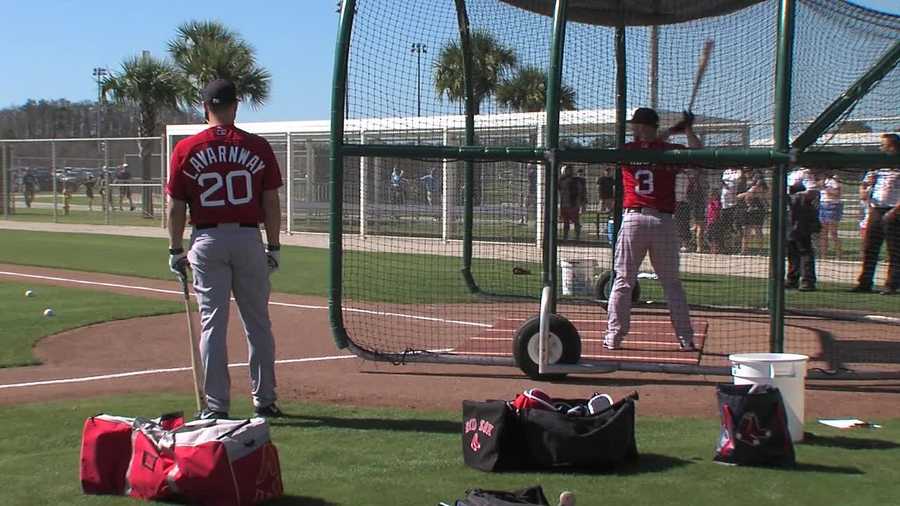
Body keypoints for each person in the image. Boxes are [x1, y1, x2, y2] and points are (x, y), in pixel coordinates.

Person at [166, 79, 284, 419]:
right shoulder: (257, 147)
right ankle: (265, 400)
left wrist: (175, 249)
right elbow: (271, 202)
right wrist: (273, 245)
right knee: (258, 324)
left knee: (212, 325)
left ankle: (216, 407)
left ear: (205, 108)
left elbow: (176, 207)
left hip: (207, 239)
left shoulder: (187, 149)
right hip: (248, 238)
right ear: (236, 105)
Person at [603, 108, 701, 351]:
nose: (634, 128)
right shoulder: (668, 150)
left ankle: (614, 336)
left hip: (634, 220)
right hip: (663, 222)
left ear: (642, 127)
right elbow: (699, 154)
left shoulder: (627, 149)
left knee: (624, 281)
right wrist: (687, 129)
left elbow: (649, 143)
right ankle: (686, 339)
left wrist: (675, 129)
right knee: (672, 284)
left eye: (637, 125)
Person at [852, 133, 899, 295]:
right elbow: (864, 185)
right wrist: (864, 191)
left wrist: (895, 210)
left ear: (893, 146)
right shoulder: (878, 165)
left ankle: (892, 284)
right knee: (870, 247)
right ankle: (865, 282)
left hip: (894, 210)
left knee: (894, 249)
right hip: (876, 209)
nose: (881, 148)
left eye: (884, 145)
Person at [786, 179, 820, 291]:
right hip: (795, 229)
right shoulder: (797, 199)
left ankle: (806, 281)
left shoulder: (799, 199)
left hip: (799, 229)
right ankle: (794, 280)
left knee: (804, 254)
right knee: (794, 255)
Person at [737, 173, 769, 255]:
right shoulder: (748, 185)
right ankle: (744, 250)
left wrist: (755, 193)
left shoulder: (763, 187)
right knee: (746, 230)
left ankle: (760, 251)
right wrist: (749, 193)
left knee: (757, 229)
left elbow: (763, 197)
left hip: (758, 210)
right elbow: (741, 196)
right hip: (748, 210)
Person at [817, 171, 843, 258]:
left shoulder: (835, 180)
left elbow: (837, 194)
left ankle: (839, 253)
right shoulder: (823, 181)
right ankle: (823, 255)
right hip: (823, 205)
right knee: (823, 232)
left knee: (833, 232)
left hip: (833, 205)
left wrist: (826, 188)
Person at [558, 164, 586, 240]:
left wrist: (582, 204)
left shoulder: (576, 180)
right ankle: (565, 237)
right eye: (566, 170)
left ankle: (577, 237)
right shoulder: (561, 180)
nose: (567, 171)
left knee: (576, 221)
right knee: (566, 222)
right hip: (564, 204)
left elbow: (581, 192)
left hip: (573, 204)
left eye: (569, 170)